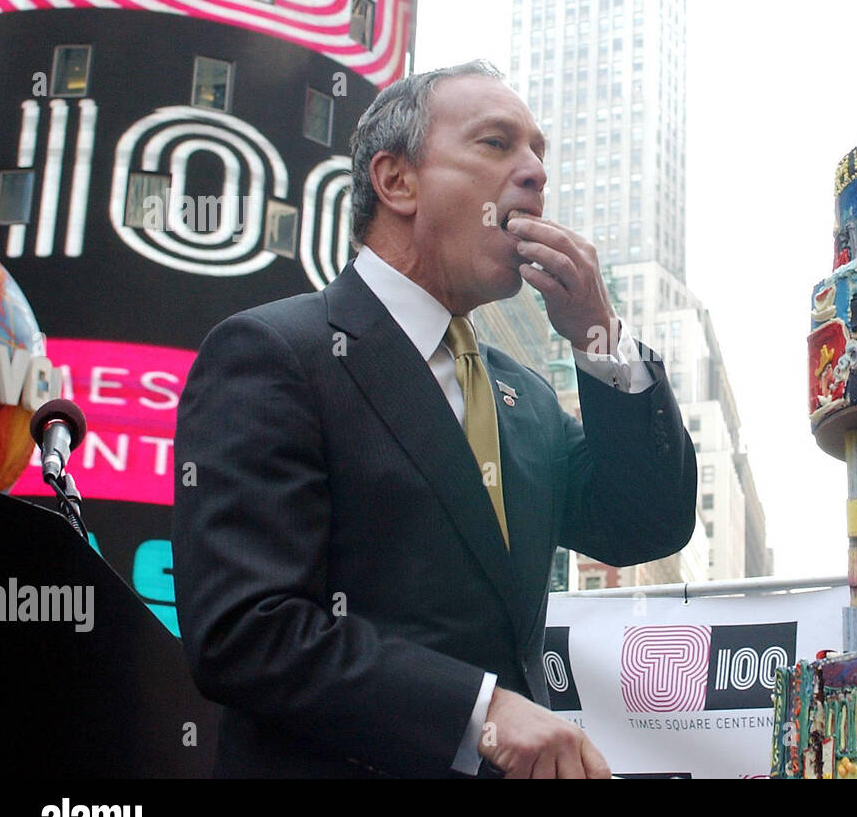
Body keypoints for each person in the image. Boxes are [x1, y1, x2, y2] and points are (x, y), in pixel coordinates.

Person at [171, 61, 697, 779]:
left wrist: (598, 335)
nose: (536, 172)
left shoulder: (528, 399)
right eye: (496, 143)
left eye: (540, 152)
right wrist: (480, 711)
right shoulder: (274, 354)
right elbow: (246, 631)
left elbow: (646, 521)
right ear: (397, 182)